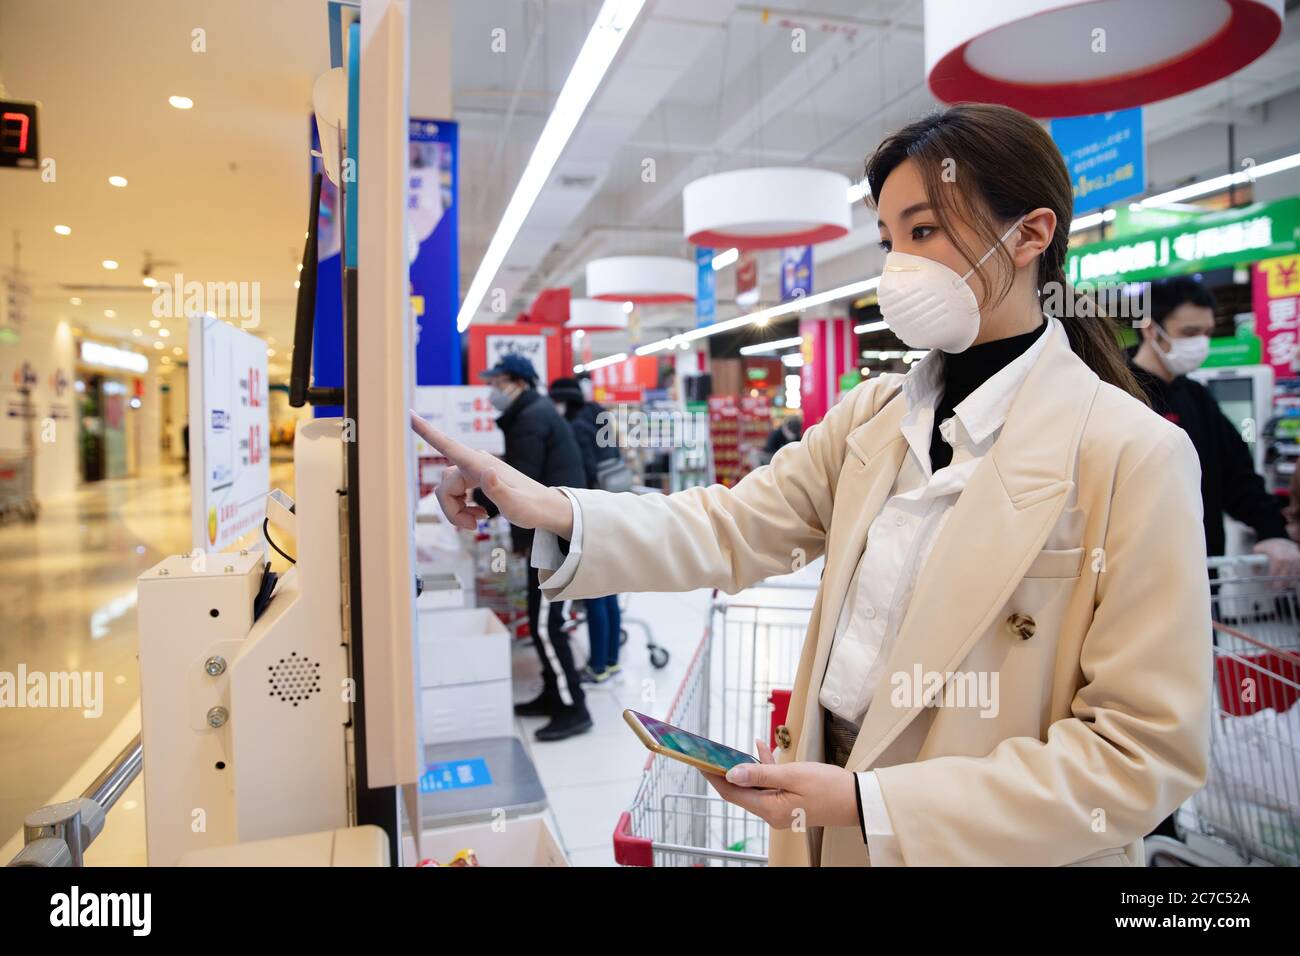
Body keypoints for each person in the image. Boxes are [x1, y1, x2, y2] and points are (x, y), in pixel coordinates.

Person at [414, 103, 1212, 866]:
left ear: (1031, 234)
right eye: (889, 238)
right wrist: (545, 504)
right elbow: (733, 526)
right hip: (828, 827)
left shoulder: (1129, 454)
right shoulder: (872, 417)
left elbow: (1141, 753)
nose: (898, 264)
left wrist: (875, 805)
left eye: (925, 230)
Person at [1129, 276, 1300, 575]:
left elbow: (1238, 478)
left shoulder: (1197, 398)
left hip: (1201, 570)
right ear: (1149, 329)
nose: (1200, 343)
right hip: (1133, 570)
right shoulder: (1111, 389)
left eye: (1207, 333)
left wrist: (1273, 532)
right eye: (1189, 332)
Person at [476, 354, 592, 742]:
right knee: (543, 619)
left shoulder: (529, 418)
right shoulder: (533, 413)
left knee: (545, 626)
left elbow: (519, 483)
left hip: (554, 534)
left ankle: (573, 707)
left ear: (518, 383)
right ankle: (552, 693)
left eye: (499, 382)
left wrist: (479, 504)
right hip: (552, 530)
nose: (494, 390)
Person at [548, 376, 623, 685]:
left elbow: (587, 471)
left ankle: (597, 666)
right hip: (615, 508)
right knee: (610, 590)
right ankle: (612, 660)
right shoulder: (599, 413)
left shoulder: (577, 425)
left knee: (594, 591)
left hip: (594, 513)